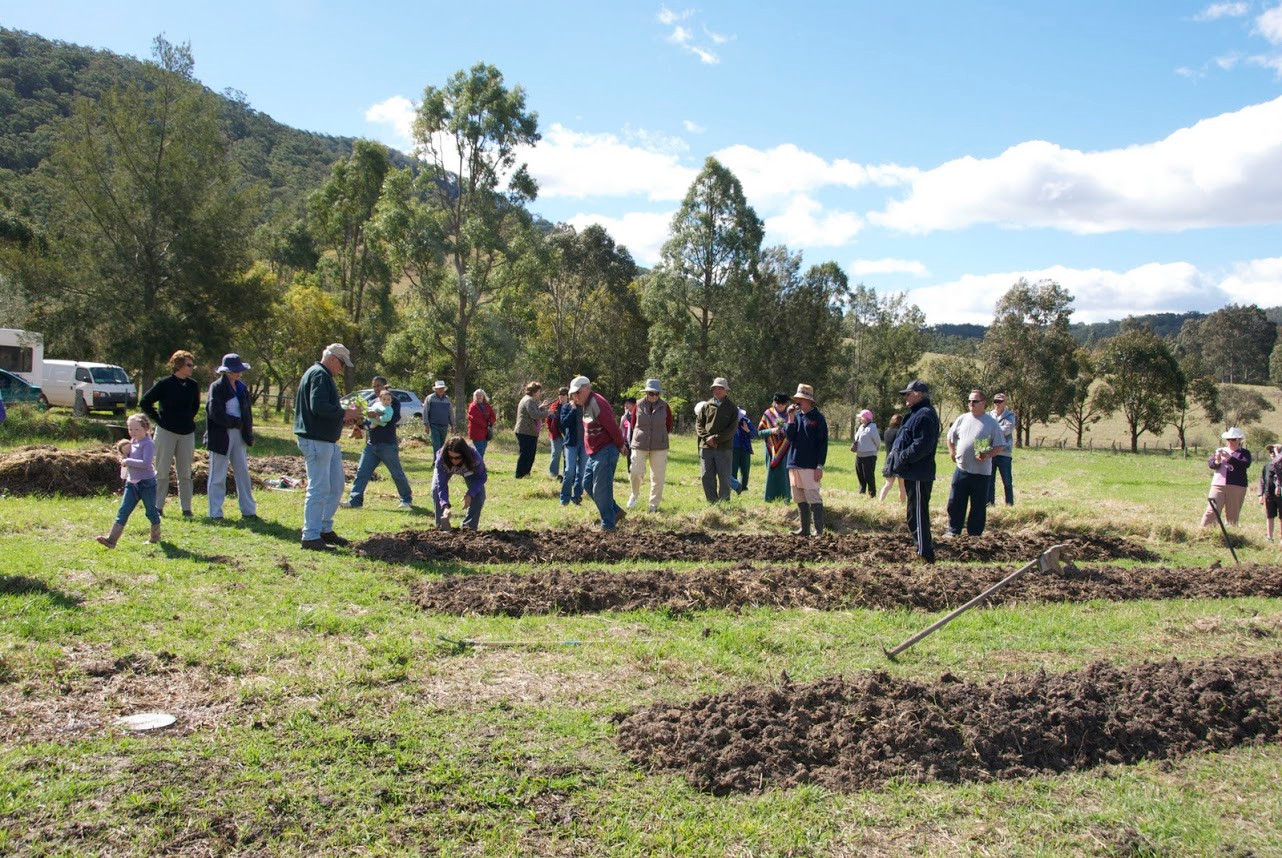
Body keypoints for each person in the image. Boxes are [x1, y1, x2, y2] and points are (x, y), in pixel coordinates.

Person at [295, 344, 363, 551]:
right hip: (317, 440)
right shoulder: (320, 375)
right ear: (333, 359)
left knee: (335, 485)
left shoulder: (321, 375)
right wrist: (344, 413)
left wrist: (341, 417)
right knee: (319, 488)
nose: (341, 369)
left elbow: (323, 408)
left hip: (326, 440)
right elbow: (318, 406)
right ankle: (310, 536)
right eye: (341, 364)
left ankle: (324, 528)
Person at [139, 350, 201, 518]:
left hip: (187, 433)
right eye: (189, 365)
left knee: (185, 473)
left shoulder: (193, 385)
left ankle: (186, 508)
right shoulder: (164, 383)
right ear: (178, 365)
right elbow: (145, 402)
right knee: (162, 471)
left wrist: (187, 419)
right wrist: (159, 419)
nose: (192, 368)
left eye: (192, 365)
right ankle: (158, 507)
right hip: (166, 432)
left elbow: (195, 406)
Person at [886, 380, 941, 563]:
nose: (905, 398)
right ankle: (922, 549)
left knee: (917, 514)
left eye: (908, 394)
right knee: (913, 514)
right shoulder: (915, 414)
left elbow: (922, 445)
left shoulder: (924, 415)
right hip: (912, 472)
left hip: (919, 472)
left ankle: (924, 553)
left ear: (919, 394)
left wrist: (902, 457)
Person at [945, 389, 1007, 537]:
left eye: (975, 401)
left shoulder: (991, 423)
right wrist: (952, 451)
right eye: (969, 401)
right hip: (962, 469)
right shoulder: (962, 418)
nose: (971, 403)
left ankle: (974, 534)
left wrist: (988, 455)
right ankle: (953, 530)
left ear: (983, 403)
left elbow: (1000, 445)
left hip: (981, 472)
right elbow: (950, 437)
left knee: (978, 505)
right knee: (955, 502)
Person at [344, 377, 413, 510]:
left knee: (396, 473)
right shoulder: (372, 403)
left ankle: (406, 500)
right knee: (362, 472)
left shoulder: (392, 401)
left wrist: (375, 416)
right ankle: (355, 501)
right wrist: (360, 422)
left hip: (387, 444)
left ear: (385, 386)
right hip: (372, 444)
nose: (376, 388)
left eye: (378, 385)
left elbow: (391, 419)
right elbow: (367, 423)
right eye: (374, 386)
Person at [96, 413, 161, 547]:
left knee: (150, 511)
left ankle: (155, 536)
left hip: (146, 483)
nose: (133, 432)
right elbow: (130, 458)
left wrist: (128, 461)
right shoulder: (133, 441)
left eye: (137, 429)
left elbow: (146, 463)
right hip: (132, 483)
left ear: (146, 428)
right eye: (130, 429)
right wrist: (124, 455)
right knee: (123, 511)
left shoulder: (148, 444)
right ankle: (111, 540)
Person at [205, 353, 257, 521]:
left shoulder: (242, 388)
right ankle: (215, 512)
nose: (238, 373)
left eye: (239, 370)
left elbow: (247, 413)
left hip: (239, 434)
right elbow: (214, 412)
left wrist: (247, 432)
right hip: (221, 434)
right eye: (235, 370)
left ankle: (248, 510)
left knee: (243, 473)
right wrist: (234, 422)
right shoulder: (217, 387)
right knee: (218, 474)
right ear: (226, 371)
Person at [572, 375, 627, 531]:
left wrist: (621, 444)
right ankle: (615, 511)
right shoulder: (586, 403)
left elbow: (612, 426)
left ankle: (608, 525)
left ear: (587, 388)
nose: (575, 397)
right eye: (573, 394)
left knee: (601, 489)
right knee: (588, 484)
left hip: (605, 450)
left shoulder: (597, 403)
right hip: (595, 452)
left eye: (577, 392)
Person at [782, 384, 828, 535]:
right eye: (797, 398)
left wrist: (819, 466)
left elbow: (823, 444)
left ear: (809, 400)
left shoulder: (818, 418)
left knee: (813, 496)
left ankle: (818, 531)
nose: (797, 401)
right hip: (794, 462)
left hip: (810, 464)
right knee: (799, 497)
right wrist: (790, 418)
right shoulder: (796, 416)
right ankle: (804, 529)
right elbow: (789, 437)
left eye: (800, 399)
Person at [628, 379, 673, 511]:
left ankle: (654, 504)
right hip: (640, 442)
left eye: (657, 393)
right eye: (651, 393)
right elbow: (633, 423)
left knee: (658, 476)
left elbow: (669, 424)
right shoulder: (638, 404)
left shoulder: (665, 406)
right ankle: (634, 495)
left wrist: (660, 436)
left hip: (659, 445)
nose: (654, 396)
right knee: (635, 471)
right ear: (646, 393)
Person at [1201, 427, 1252, 528]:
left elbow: (1245, 464)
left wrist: (1229, 458)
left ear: (1239, 440)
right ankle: (1205, 531)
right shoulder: (1220, 450)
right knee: (1212, 510)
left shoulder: (1244, 453)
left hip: (1237, 486)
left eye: (1233, 439)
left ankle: (1231, 534)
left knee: (1233, 513)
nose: (1230, 442)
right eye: (1228, 439)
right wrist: (1217, 461)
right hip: (1218, 484)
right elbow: (1211, 464)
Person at [696, 377, 737, 503]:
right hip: (706, 447)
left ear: (726, 391)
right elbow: (699, 424)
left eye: (720, 388)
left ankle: (724, 503)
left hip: (724, 448)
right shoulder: (706, 406)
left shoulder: (732, 408)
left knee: (724, 477)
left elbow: (731, 429)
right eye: (715, 388)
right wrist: (707, 438)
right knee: (706, 476)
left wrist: (716, 439)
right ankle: (712, 502)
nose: (717, 391)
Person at [432, 436, 488, 530]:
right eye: (451, 457)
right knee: (435, 490)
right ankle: (441, 526)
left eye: (457, 457)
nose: (454, 460)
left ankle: (469, 527)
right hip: (446, 470)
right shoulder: (441, 459)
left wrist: (470, 494)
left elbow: (482, 477)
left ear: (464, 455)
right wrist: (445, 505)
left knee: (479, 494)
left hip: (468, 471)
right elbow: (441, 485)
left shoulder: (475, 458)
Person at [757, 393, 792, 503]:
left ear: (786, 404)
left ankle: (785, 498)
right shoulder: (768, 414)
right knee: (771, 473)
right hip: (770, 449)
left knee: (785, 473)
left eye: (783, 403)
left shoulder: (790, 415)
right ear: (774, 402)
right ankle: (770, 498)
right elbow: (760, 432)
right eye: (778, 403)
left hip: (786, 449)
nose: (780, 405)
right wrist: (771, 431)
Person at [514, 382, 550, 478]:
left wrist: (541, 407)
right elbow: (534, 415)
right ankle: (520, 474)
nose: (540, 393)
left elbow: (533, 411)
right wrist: (547, 413)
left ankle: (525, 473)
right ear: (534, 392)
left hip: (528, 431)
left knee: (529, 454)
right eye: (539, 391)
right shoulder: (529, 401)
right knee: (526, 454)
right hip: (526, 431)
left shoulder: (529, 400)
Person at [987, 392, 1016, 506]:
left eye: (1000, 401)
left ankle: (1009, 504)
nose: (997, 403)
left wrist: (992, 430)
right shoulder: (988, 415)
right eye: (995, 401)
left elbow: (1007, 430)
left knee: (1007, 481)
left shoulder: (1010, 415)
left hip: (1005, 453)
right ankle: (990, 504)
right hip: (991, 452)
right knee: (990, 481)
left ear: (1005, 402)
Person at [559, 389, 586, 506]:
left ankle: (577, 497)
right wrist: (573, 410)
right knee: (569, 470)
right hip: (571, 443)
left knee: (582, 472)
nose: (577, 396)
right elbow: (564, 423)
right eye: (575, 394)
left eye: (579, 394)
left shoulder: (587, 407)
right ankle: (564, 499)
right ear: (572, 395)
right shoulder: (567, 407)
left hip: (585, 444)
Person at [851, 409, 881, 498]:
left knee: (869, 476)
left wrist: (875, 450)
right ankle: (861, 493)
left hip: (869, 456)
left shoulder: (872, 428)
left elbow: (878, 442)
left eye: (861, 417)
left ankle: (872, 494)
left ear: (867, 418)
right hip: (859, 455)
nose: (860, 419)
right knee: (860, 475)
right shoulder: (861, 427)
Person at [878, 414, 907, 503]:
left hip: (889, 459)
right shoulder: (901, 432)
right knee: (902, 485)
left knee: (888, 484)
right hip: (899, 460)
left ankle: (880, 501)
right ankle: (902, 503)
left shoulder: (887, 432)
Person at [1259, 444, 1282, 542]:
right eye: (1270, 452)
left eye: (1274, 451)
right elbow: (1262, 480)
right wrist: (1260, 494)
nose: (1272, 453)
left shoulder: (1279, 465)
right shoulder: (1267, 466)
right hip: (1269, 493)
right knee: (1269, 515)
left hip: (1280, 494)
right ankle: (1269, 537)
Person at [425, 380, 454, 457]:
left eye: (442, 388)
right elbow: (425, 412)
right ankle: (436, 461)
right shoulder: (430, 398)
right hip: (434, 424)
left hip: (444, 425)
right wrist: (426, 425)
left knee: (442, 444)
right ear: (435, 389)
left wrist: (452, 425)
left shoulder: (447, 399)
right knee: (436, 444)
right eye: (439, 388)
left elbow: (450, 412)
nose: (441, 390)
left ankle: (440, 461)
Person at [466, 389, 497, 459]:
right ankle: (479, 464)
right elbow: (472, 417)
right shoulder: (472, 406)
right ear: (474, 397)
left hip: (485, 433)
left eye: (480, 395)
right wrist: (484, 424)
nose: (479, 397)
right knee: (479, 450)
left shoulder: (487, 406)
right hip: (476, 432)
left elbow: (493, 416)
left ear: (483, 396)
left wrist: (490, 422)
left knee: (482, 450)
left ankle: (477, 463)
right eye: (477, 395)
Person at [730, 407, 754, 495]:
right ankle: (734, 487)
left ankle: (744, 488)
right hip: (733, 449)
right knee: (733, 469)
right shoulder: (729, 423)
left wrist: (747, 430)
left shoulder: (747, 421)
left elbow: (754, 434)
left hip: (745, 449)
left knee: (745, 470)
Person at [547, 387, 569, 480]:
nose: (561, 396)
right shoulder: (554, 405)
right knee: (556, 453)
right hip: (556, 433)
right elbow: (548, 419)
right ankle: (553, 474)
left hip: (568, 434)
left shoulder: (571, 406)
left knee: (567, 455)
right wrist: (550, 428)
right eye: (560, 394)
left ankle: (566, 474)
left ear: (568, 396)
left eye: (563, 394)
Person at [619, 396, 638, 471]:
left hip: (635, 440)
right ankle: (630, 473)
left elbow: (634, 424)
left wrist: (627, 415)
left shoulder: (637, 415)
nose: (625, 405)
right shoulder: (624, 416)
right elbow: (621, 429)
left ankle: (636, 473)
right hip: (627, 441)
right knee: (629, 458)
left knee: (635, 458)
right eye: (625, 403)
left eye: (627, 403)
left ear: (633, 405)